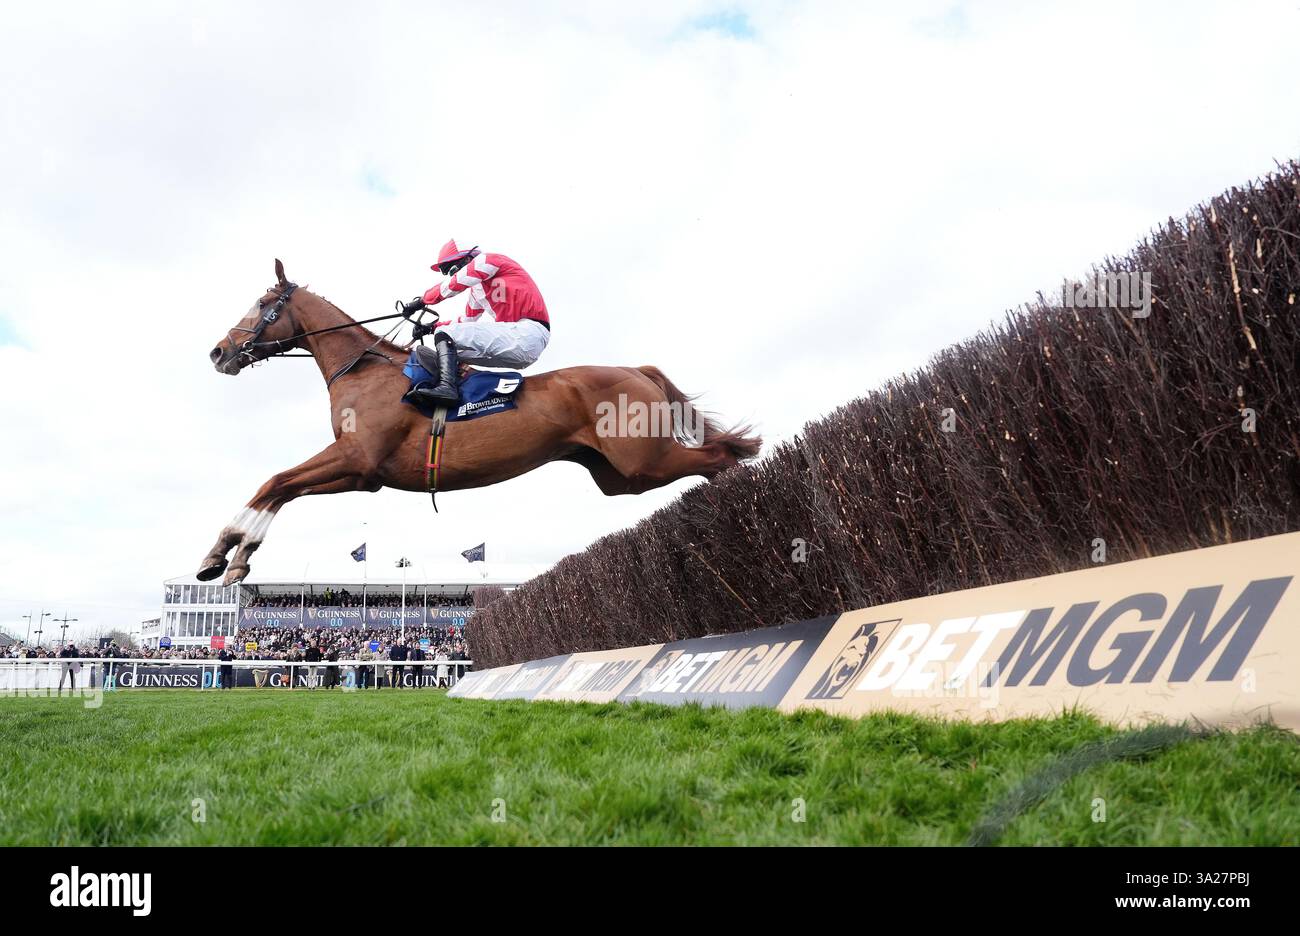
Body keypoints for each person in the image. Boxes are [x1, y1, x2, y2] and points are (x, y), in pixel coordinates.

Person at [400, 240, 551, 406]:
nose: (452, 275)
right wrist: (431, 328)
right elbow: (466, 321)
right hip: (517, 344)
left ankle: (447, 389)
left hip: (527, 333)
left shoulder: (489, 260)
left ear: (467, 258)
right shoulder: (477, 291)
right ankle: (458, 397)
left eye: (452, 270)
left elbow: (454, 284)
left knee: (446, 335)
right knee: (450, 349)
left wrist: (421, 301)